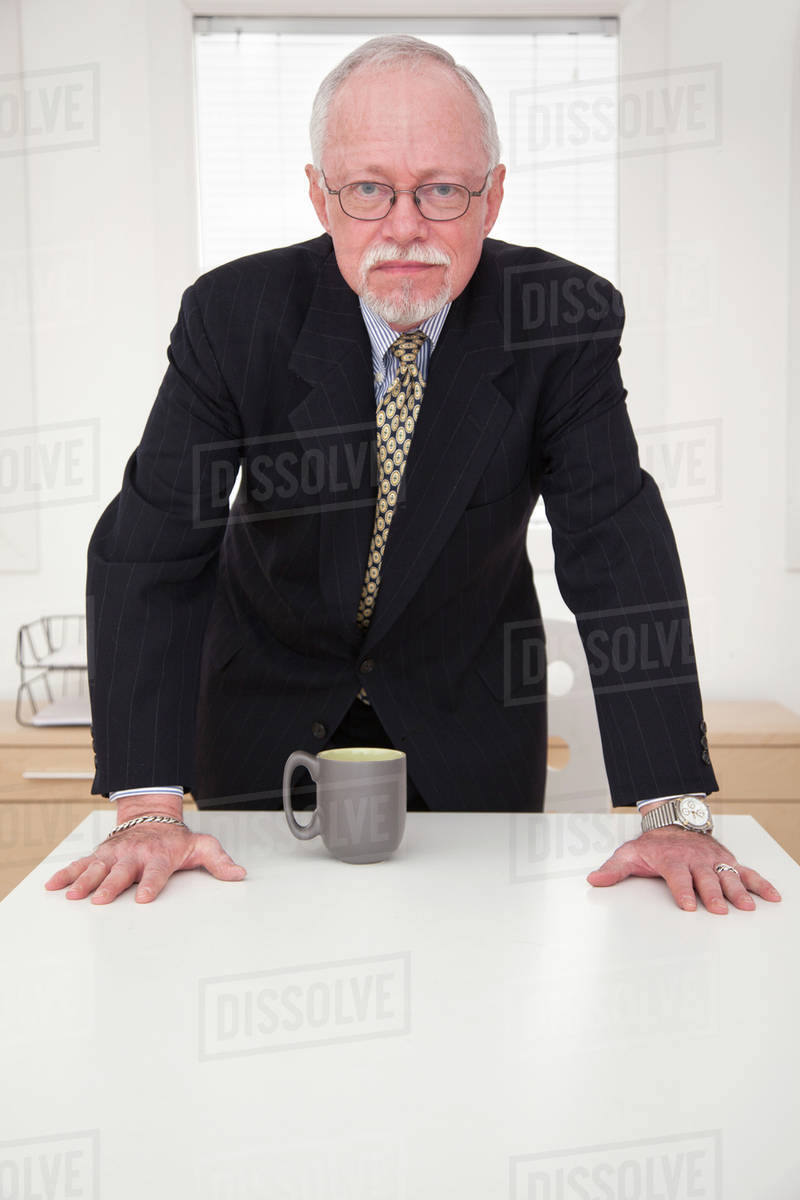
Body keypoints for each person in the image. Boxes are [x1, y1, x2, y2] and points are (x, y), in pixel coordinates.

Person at [46, 35, 781, 913]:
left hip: (464, 723)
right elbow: (156, 548)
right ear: (319, 195)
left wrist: (673, 809)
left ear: (492, 196)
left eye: (440, 191)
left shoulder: (561, 322)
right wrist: (145, 808)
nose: (403, 227)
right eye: (368, 190)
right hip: (259, 721)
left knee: (468, 999)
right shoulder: (232, 318)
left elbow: (614, 542)